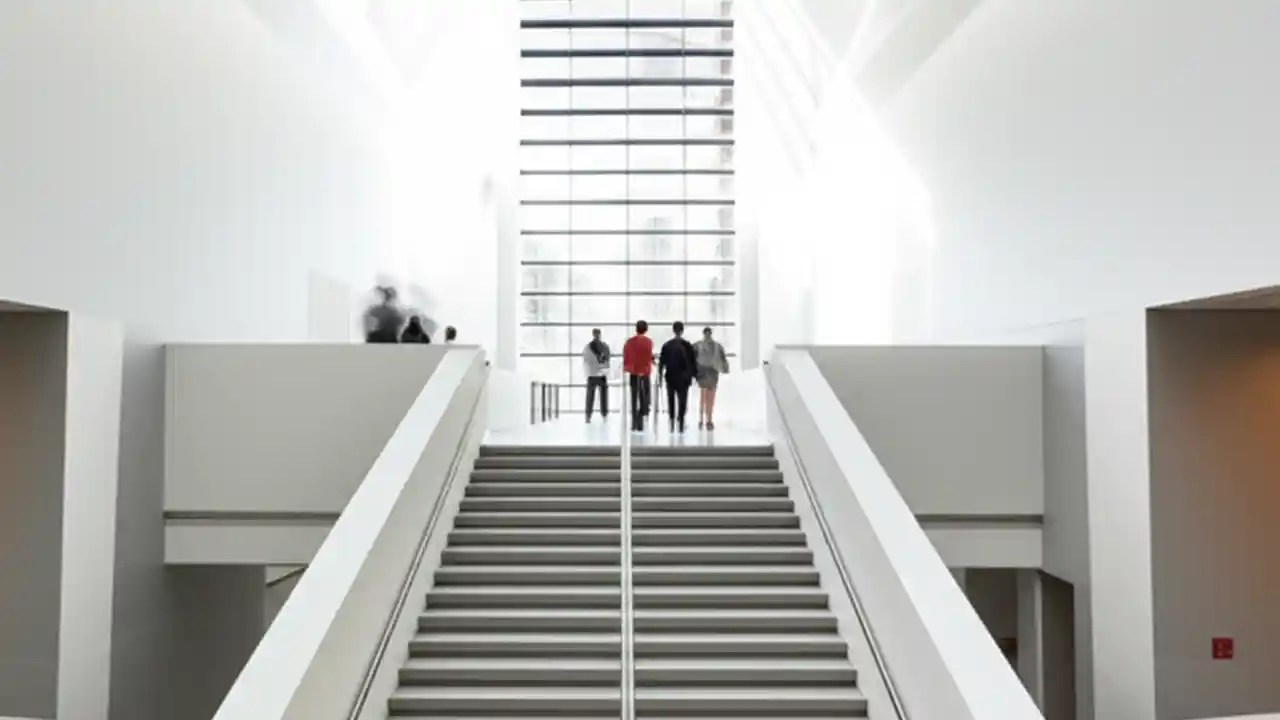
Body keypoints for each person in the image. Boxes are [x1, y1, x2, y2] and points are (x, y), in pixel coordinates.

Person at [658, 322, 698, 433]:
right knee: (682, 400)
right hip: (683, 377)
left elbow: (662, 363)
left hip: (670, 376)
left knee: (671, 399)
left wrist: (660, 376)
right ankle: (681, 421)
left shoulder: (667, 345)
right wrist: (694, 375)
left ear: (673, 330)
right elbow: (692, 362)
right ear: (682, 330)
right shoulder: (687, 345)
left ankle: (671, 421)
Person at [695, 326, 729, 430]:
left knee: (703, 396)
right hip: (713, 373)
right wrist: (725, 369)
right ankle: (709, 420)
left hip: (701, 373)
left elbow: (692, 357)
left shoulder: (697, 345)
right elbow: (723, 359)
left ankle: (701, 420)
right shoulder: (718, 346)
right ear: (711, 333)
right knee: (710, 397)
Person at [622, 320, 654, 432]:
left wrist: (627, 367)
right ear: (646, 329)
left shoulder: (629, 342)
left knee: (634, 397)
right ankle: (641, 420)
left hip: (634, 372)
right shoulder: (649, 342)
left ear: (636, 329)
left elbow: (626, 356)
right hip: (644, 372)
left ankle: (634, 423)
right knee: (644, 396)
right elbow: (648, 357)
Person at [583, 328, 611, 422]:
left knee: (590, 396)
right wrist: (601, 365)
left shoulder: (588, 347)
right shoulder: (605, 346)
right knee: (603, 396)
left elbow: (586, 360)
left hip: (592, 374)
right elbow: (607, 360)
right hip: (602, 374)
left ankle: (588, 415)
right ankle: (604, 414)